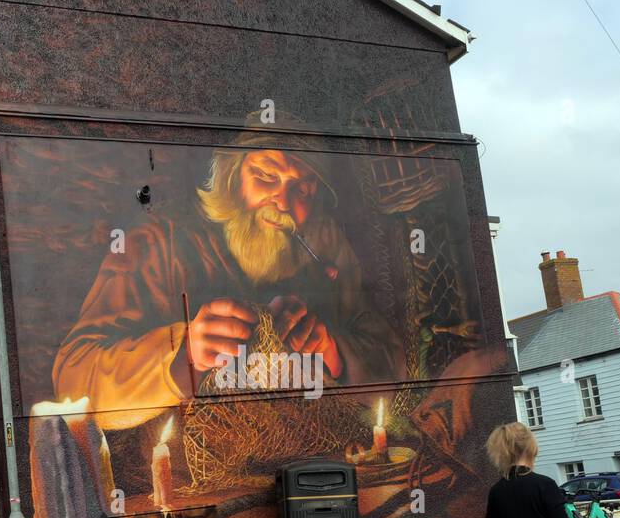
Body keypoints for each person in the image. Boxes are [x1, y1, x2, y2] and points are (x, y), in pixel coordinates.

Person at [53, 126, 404, 430]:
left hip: (309, 455)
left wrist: (332, 350)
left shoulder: (322, 241)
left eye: (302, 189)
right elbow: (74, 378)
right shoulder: (158, 242)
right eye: (266, 178)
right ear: (231, 177)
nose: (283, 202)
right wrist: (183, 353)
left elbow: (391, 363)